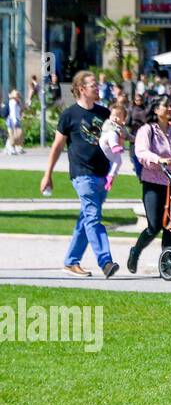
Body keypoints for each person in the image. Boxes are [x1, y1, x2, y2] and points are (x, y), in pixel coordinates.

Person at [40, 71, 119, 279]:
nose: (97, 88)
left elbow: (115, 138)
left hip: (102, 174)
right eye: (93, 85)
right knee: (93, 218)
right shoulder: (69, 115)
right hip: (82, 174)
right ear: (82, 89)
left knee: (86, 218)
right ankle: (106, 261)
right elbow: (57, 147)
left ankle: (71, 262)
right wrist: (47, 174)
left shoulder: (104, 113)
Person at [128, 99, 171, 273]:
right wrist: (158, 159)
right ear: (155, 110)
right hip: (153, 182)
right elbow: (141, 151)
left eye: (170, 106)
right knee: (154, 226)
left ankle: (168, 266)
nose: (169, 109)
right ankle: (135, 251)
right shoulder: (147, 130)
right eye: (165, 106)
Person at [98, 100, 130, 192]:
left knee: (119, 160)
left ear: (123, 119)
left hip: (109, 151)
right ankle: (115, 146)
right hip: (105, 142)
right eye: (113, 115)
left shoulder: (123, 128)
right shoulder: (109, 123)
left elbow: (128, 136)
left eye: (118, 116)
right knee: (113, 133)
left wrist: (136, 139)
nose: (115, 118)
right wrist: (117, 130)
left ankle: (111, 176)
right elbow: (106, 129)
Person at [5, 89, 23, 155]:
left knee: (15, 135)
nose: (17, 95)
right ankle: (11, 148)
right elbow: (13, 112)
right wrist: (15, 121)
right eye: (16, 94)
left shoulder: (18, 102)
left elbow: (19, 112)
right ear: (13, 95)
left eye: (18, 94)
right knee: (12, 135)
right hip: (12, 120)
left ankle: (9, 148)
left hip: (16, 119)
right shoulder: (13, 102)